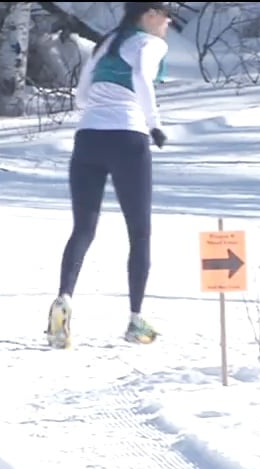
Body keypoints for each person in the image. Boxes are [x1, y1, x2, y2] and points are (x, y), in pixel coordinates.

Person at [45, 1, 172, 349]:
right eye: (164, 13)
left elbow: (82, 94)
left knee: (83, 228)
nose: (168, 21)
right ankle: (135, 320)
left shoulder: (107, 41)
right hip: (127, 138)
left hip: (87, 138)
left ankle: (64, 301)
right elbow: (141, 77)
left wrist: (98, 111)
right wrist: (154, 125)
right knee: (140, 232)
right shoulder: (149, 43)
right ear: (148, 15)